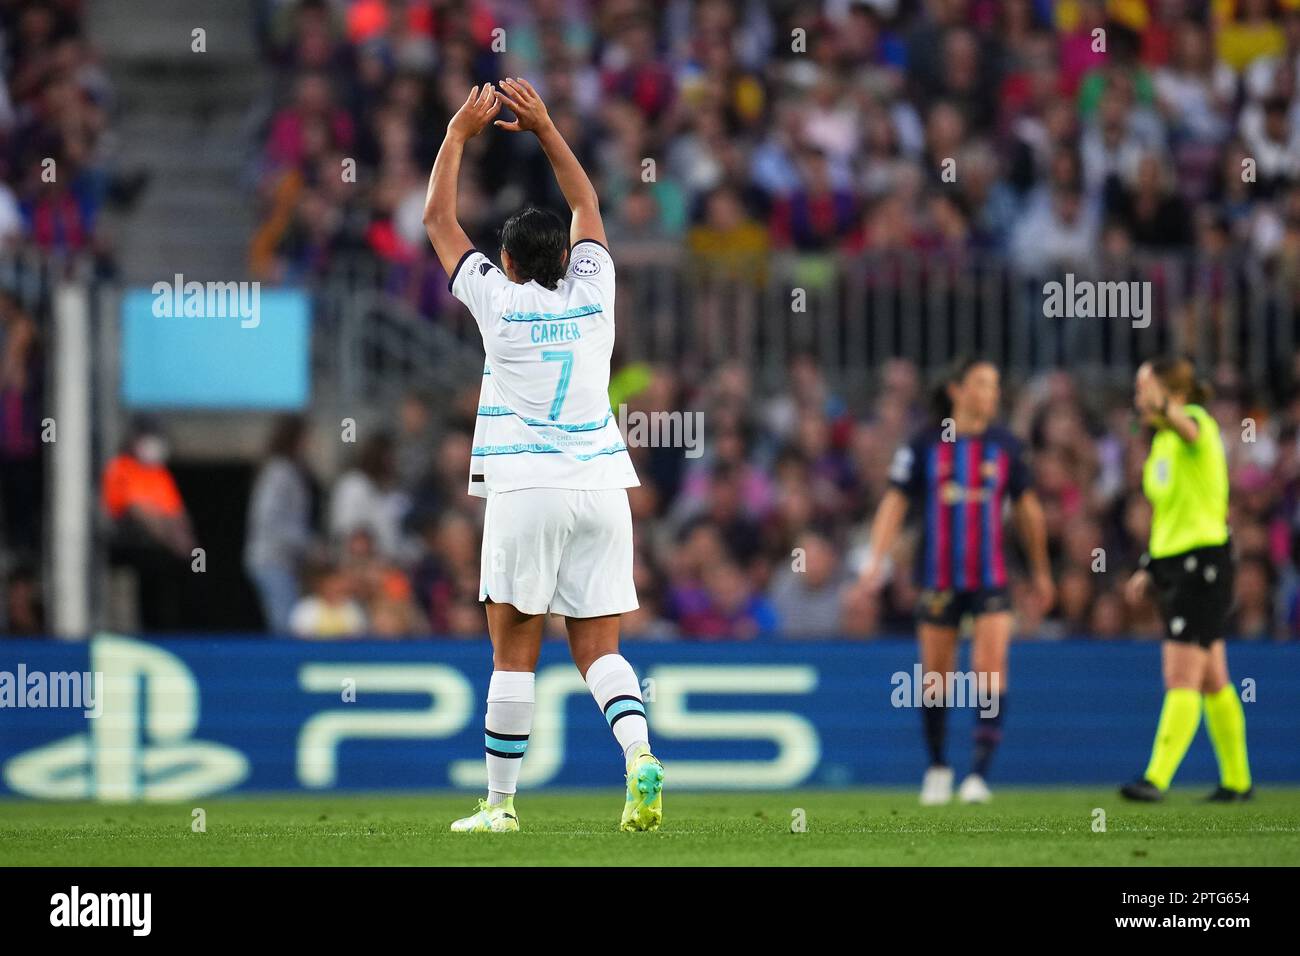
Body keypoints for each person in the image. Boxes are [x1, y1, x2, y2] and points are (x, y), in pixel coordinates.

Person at [423, 79, 662, 832]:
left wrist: (462, 133)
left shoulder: (500, 302)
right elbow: (589, 206)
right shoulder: (594, 294)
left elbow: (436, 218)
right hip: (601, 487)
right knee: (598, 649)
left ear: (507, 261)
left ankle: (500, 807)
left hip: (528, 486)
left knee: (514, 651)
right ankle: (639, 755)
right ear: (565, 256)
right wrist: (548, 127)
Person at [855, 358, 1054, 805]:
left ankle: (979, 775)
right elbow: (894, 503)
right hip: (940, 576)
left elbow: (1027, 510)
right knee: (936, 678)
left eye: (995, 384)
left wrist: (1041, 571)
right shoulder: (926, 442)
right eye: (983, 383)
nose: (992, 393)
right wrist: (875, 562)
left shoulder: (1006, 445)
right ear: (956, 390)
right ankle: (939, 766)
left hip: (991, 578)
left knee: (991, 666)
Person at [1120, 358, 1252, 802]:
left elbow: (1186, 424)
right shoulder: (1162, 444)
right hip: (1178, 563)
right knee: (1214, 676)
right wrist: (1149, 566)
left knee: (1181, 673)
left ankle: (1156, 778)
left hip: (1203, 563)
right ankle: (1237, 781)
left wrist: (1167, 407)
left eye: (1144, 387)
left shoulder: (1195, 424)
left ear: (1166, 391)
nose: (1137, 397)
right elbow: (1170, 515)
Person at [244, 414, 315, 633]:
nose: (311, 444)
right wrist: (306, 543)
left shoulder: (291, 471)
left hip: (284, 560)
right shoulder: (279, 472)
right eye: (307, 438)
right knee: (285, 623)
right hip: (271, 559)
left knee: (288, 619)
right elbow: (267, 518)